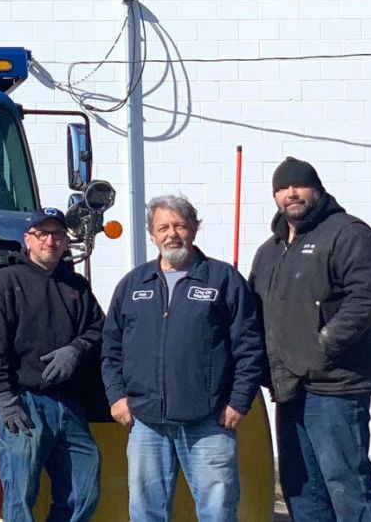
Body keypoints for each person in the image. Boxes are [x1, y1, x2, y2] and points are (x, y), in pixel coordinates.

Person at [102, 195, 266, 522]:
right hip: (147, 422)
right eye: (163, 227)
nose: (171, 234)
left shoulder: (223, 280)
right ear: (152, 234)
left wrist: (239, 401)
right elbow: (111, 347)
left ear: (194, 228)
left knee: (217, 509)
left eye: (179, 225)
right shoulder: (133, 285)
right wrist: (116, 396)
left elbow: (249, 346)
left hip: (208, 420)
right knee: (146, 511)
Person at [250, 157, 371, 521]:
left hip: (335, 388)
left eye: (298, 185)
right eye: (282, 188)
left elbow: (369, 297)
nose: (291, 194)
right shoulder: (269, 252)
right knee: (303, 491)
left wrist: (321, 347)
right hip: (288, 388)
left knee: (347, 487)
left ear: (317, 189)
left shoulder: (347, 234)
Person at [0, 207, 105, 522]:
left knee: (83, 490)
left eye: (57, 234)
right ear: (27, 240)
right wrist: (5, 399)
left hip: (70, 406)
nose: (50, 240)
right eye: (42, 233)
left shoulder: (77, 286)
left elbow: (100, 329)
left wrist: (76, 348)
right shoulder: (6, 282)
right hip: (24, 404)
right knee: (20, 496)